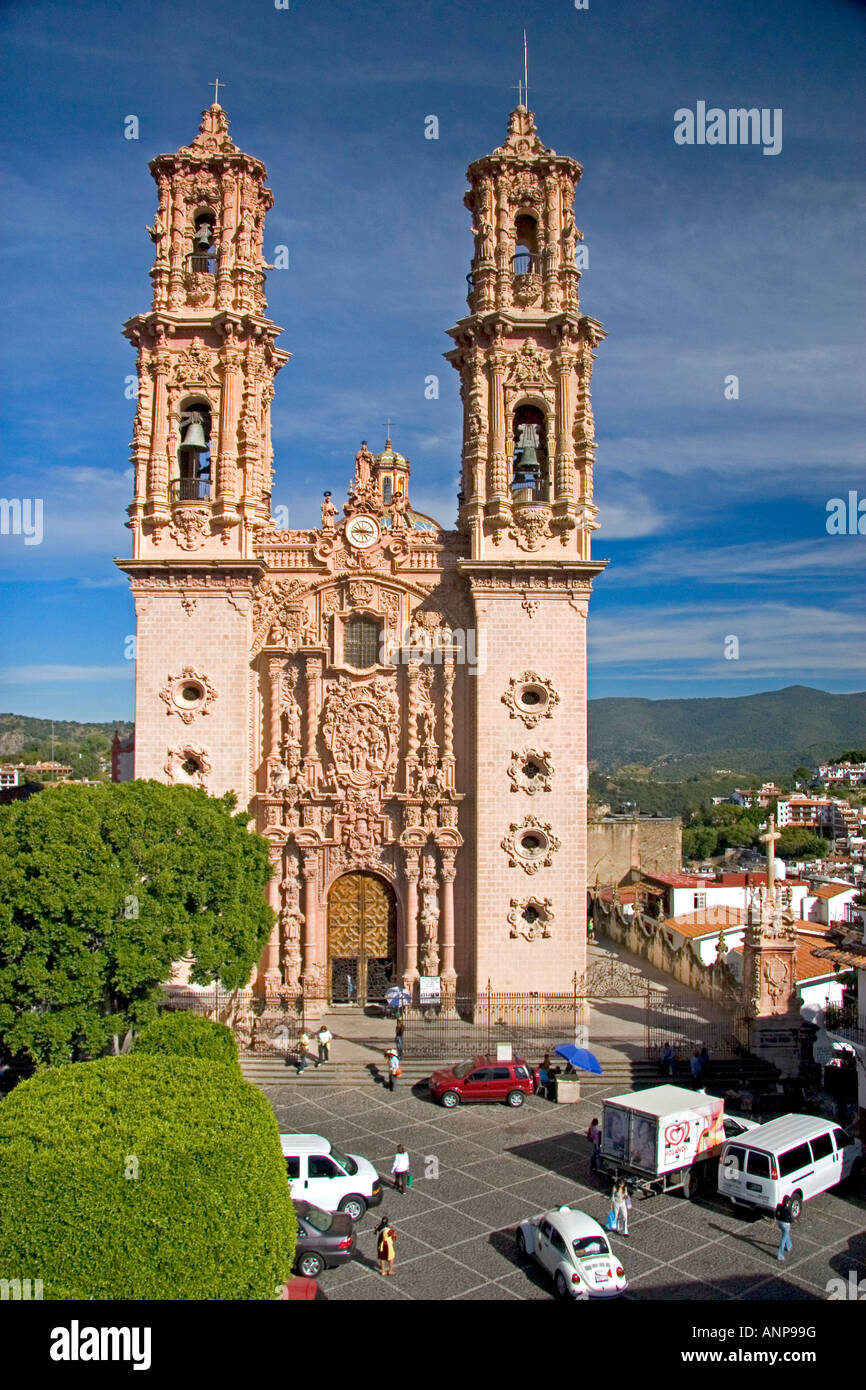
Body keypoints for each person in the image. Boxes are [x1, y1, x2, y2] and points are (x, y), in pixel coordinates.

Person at [776, 1195, 794, 1262]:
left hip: (780, 1223)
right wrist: (792, 1221)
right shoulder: (788, 1209)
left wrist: (779, 1217)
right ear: (788, 1202)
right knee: (784, 1238)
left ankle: (788, 1246)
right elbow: (791, 1219)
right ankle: (780, 1255)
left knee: (785, 1234)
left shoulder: (779, 1206)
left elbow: (776, 1214)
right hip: (786, 1224)